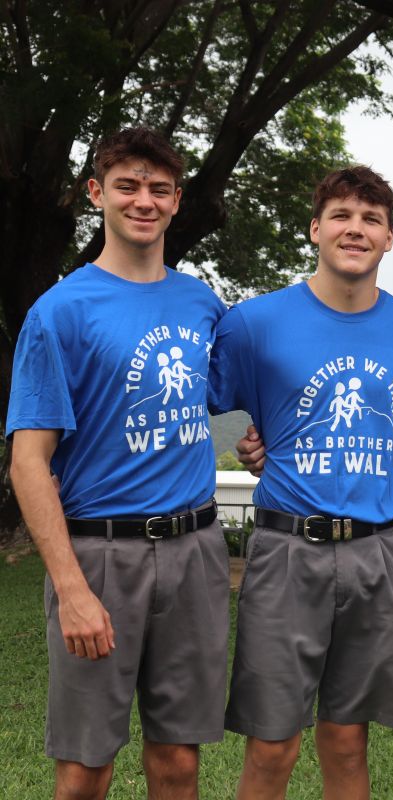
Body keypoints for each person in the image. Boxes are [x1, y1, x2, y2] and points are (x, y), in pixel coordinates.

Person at [209, 166, 393, 800]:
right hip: (288, 549)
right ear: (315, 229)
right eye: (341, 215)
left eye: (372, 220)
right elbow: (204, 405)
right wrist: (253, 445)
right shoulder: (253, 323)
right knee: (273, 744)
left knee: (347, 741)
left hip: (376, 551)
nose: (355, 229)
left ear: (389, 239)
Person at [7, 127, 228, 799]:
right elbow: (28, 461)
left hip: (195, 551)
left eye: (159, 189)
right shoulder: (61, 311)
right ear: (97, 193)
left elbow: (233, 399)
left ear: (176, 201)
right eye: (127, 186)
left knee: (179, 763)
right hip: (101, 555)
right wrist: (73, 591)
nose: (144, 200)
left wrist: (260, 439)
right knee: (84, 769)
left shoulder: (202, 304)